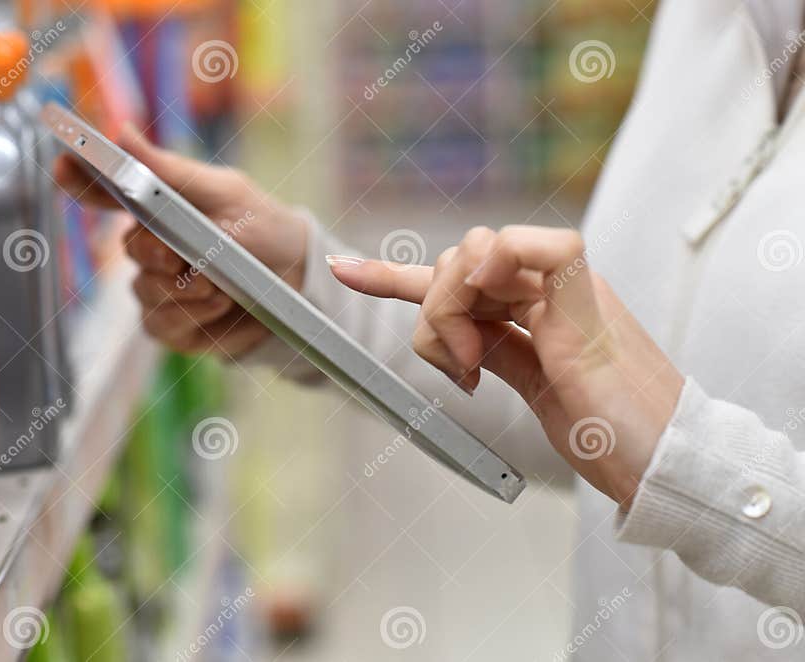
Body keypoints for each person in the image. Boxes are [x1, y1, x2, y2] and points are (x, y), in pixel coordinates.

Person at [57, 2, 805, 658]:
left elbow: (667, 442)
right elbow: (607, 422)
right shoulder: (711, 18)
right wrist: (303, 293)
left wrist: (694, 469)